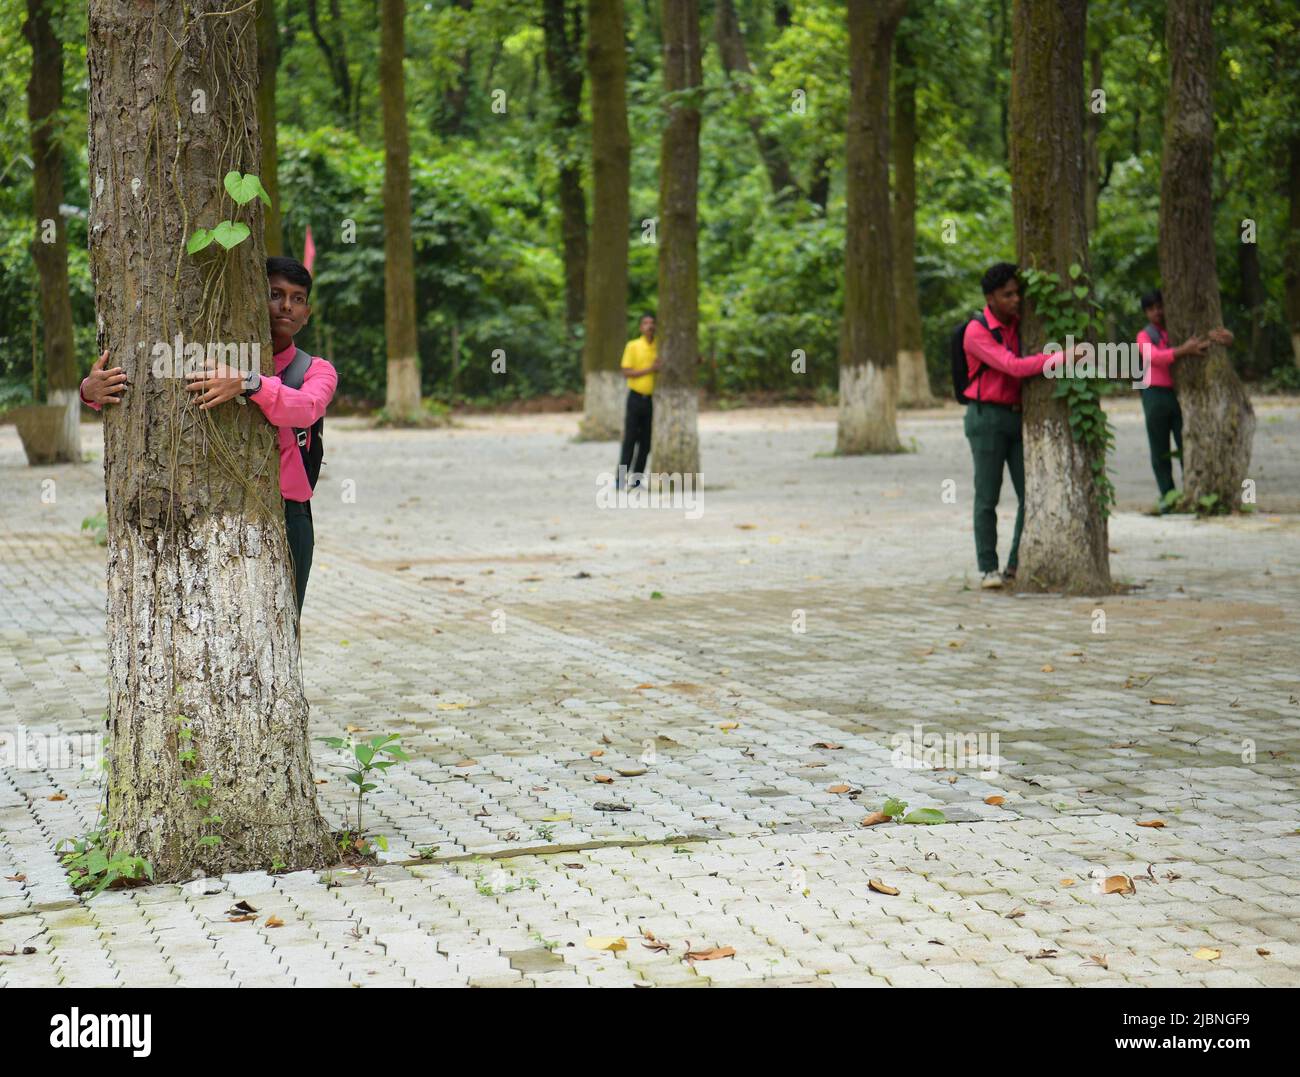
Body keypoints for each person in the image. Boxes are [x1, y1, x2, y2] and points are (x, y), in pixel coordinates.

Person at [78, 256, 336, 614]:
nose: (286, 306)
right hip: (213, 513)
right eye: (275, 294)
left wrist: (248, 382)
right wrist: (89, 390)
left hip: (290, 518)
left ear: (307, 313)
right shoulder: (216, 351)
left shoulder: (315, 369)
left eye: (297, 298)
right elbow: (147, 385)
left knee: (284, 623)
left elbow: (308, 407)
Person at [960, 263, 1071, 590]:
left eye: (1017, 293)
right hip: (986, 419)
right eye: (1007, 295)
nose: (1015, 299)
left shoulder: (1020, 325)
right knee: (987, 496)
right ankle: (988, 568)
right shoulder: (977, 331)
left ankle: (1014, 563)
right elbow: (1013, 367)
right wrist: (1063, 357)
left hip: (1017, 416)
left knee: (1030, 494)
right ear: (991, 297)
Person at [1134, 289, 1231, 509]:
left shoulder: (1178, 327)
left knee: (1185, 444)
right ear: (1146, 313)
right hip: (1154, 394)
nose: (1157, 312)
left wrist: (1227, 338)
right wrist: (1183, 350)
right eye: (1151, 309)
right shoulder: (1144, 335)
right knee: (1160, 449)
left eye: (1160, 306)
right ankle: (1168, 497)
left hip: (1178, 394)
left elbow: (1212, 338)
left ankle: (1192, 493)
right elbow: (1154, 358)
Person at [617, 312, 659, 489]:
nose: (649, 326)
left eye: (652, 323)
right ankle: (620, 478)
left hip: (652, 400)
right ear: (641, 327)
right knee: (630, 439)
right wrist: (650, 369)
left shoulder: (660, 346)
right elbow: (626, 371)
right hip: (635, 398)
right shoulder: (633, 346)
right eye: (645, 323)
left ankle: (636, 479)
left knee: (646, 442)